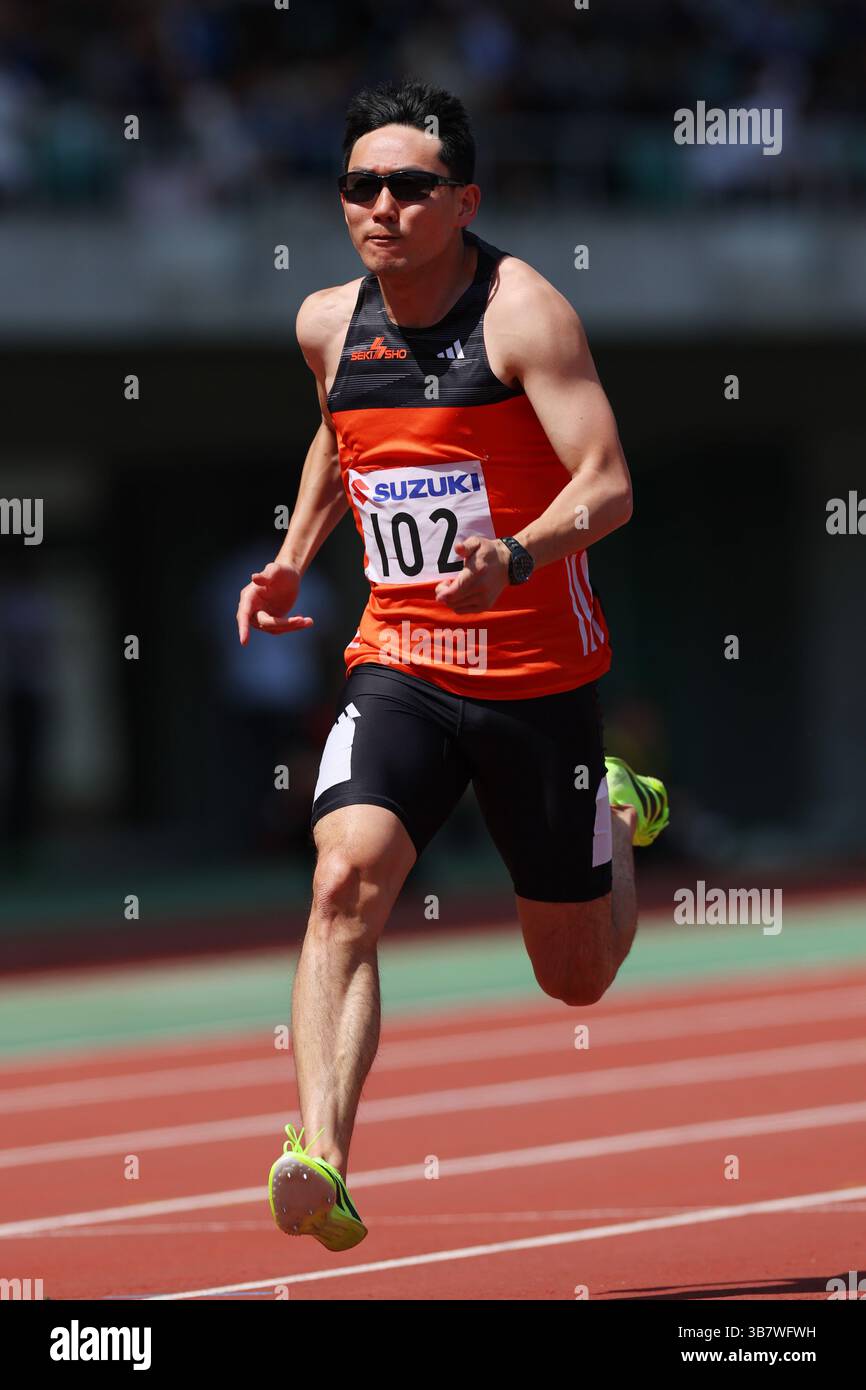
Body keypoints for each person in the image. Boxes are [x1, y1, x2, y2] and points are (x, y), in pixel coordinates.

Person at [235, 79, 669, 1253]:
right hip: (402, 663)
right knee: (344, 881)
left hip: (534, 673)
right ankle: (317, 1151)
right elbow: (342, 428)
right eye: (358, 186)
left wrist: (518, 555)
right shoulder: (328, 323)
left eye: (409, 186)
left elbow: (610, 485)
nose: (380, 206)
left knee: (572, 977)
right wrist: (289, 561)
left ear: (462, 198)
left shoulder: (524, 313)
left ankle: (613, 817)